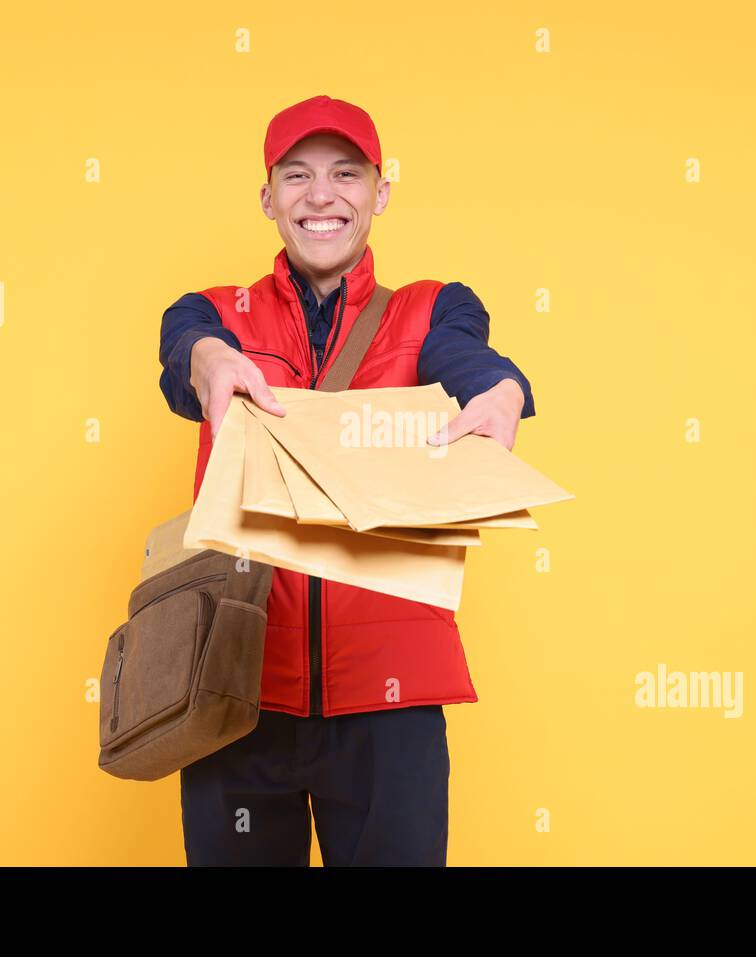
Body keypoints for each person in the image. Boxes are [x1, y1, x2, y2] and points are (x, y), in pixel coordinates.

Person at [158, 94, 536, 866]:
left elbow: (471, 360)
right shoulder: (215, 313)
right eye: (296, 176)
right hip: (237, 691)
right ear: (267, 199)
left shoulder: (433, 310)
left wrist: (501, 392)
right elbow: (184, 349)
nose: (320, 195)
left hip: (389, 707)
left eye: (345, 174)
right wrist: (207, 358)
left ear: (380, 192)